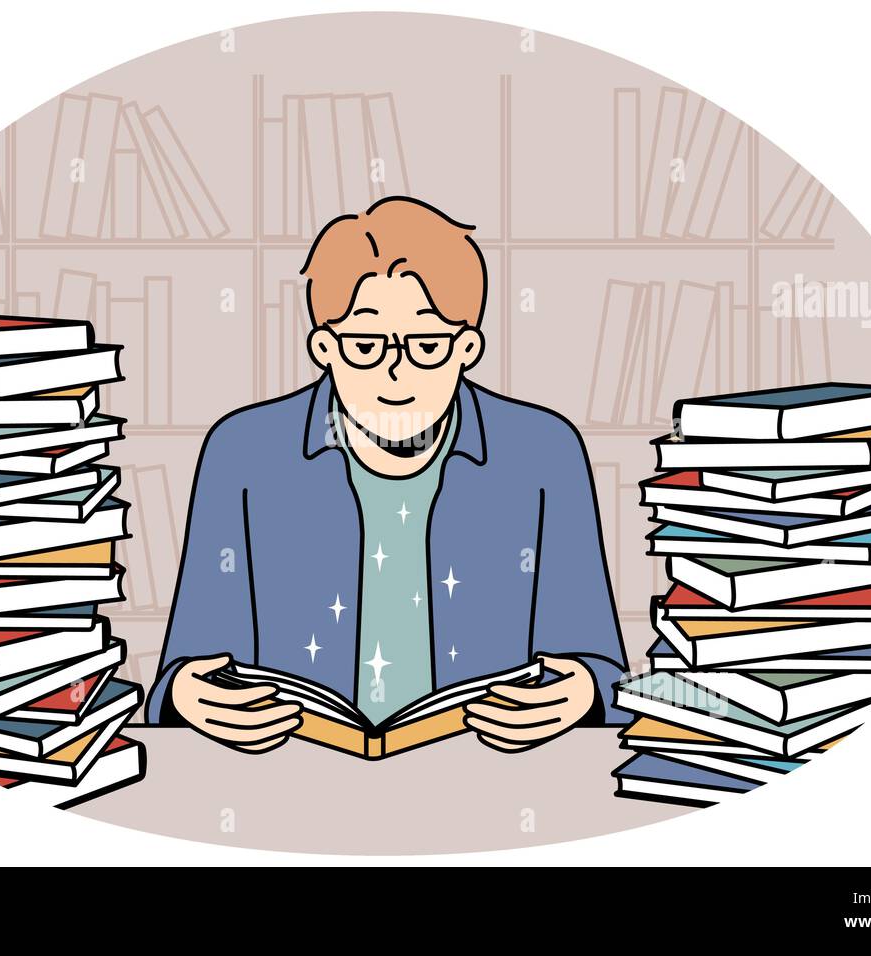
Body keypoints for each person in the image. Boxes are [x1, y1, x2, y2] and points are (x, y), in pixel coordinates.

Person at [144, 195, 630, 753]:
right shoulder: (244, 453)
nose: (395, 371)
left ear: (467, 346)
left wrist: (581, 694)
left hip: (489, 774)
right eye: (365, 345)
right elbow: (188, 666)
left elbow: (602, 670)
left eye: (426, 345)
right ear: (323, 347)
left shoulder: (543, 453)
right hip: (289, 774)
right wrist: (187, 695)